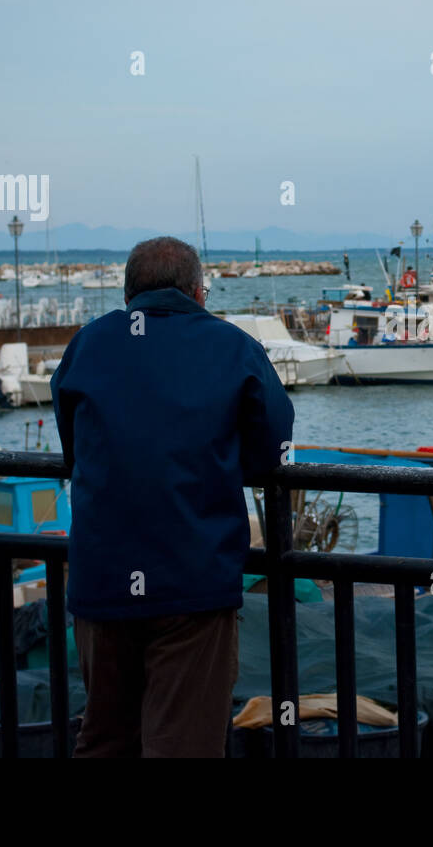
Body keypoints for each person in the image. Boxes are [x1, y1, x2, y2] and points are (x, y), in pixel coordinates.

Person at [51, 236, 294, 757]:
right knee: (184, 743)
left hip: (101, 575)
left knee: (104, 739)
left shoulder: (88, 344)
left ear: (127, 295)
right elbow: (273, 446)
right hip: (193, 576)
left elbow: (74, 448)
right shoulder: (233, 347)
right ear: (198, 292)